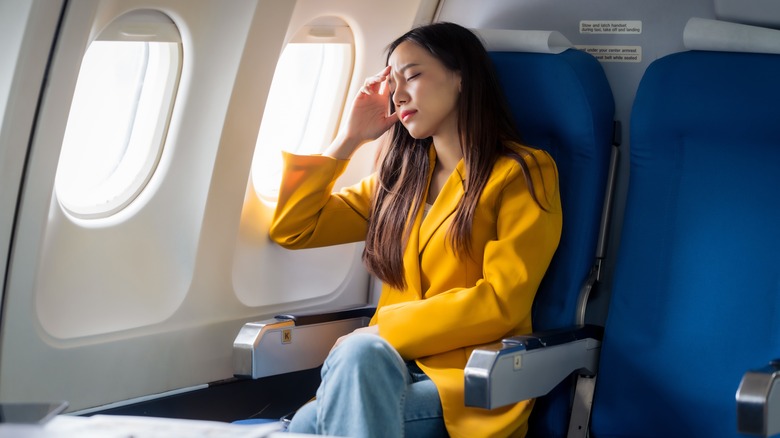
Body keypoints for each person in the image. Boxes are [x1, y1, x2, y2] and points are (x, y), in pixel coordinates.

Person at [268, 22, 562, 438]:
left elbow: (501, 301)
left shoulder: (521, 172)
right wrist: (350, 138)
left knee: (312, 419)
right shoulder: (398, 183)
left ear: (461, 77)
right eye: (393, 85)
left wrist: (382, 331)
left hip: (466, 379)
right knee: (314, 412)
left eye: (413, 76)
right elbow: (295, 228)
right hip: (382, 365)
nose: (399, 95)